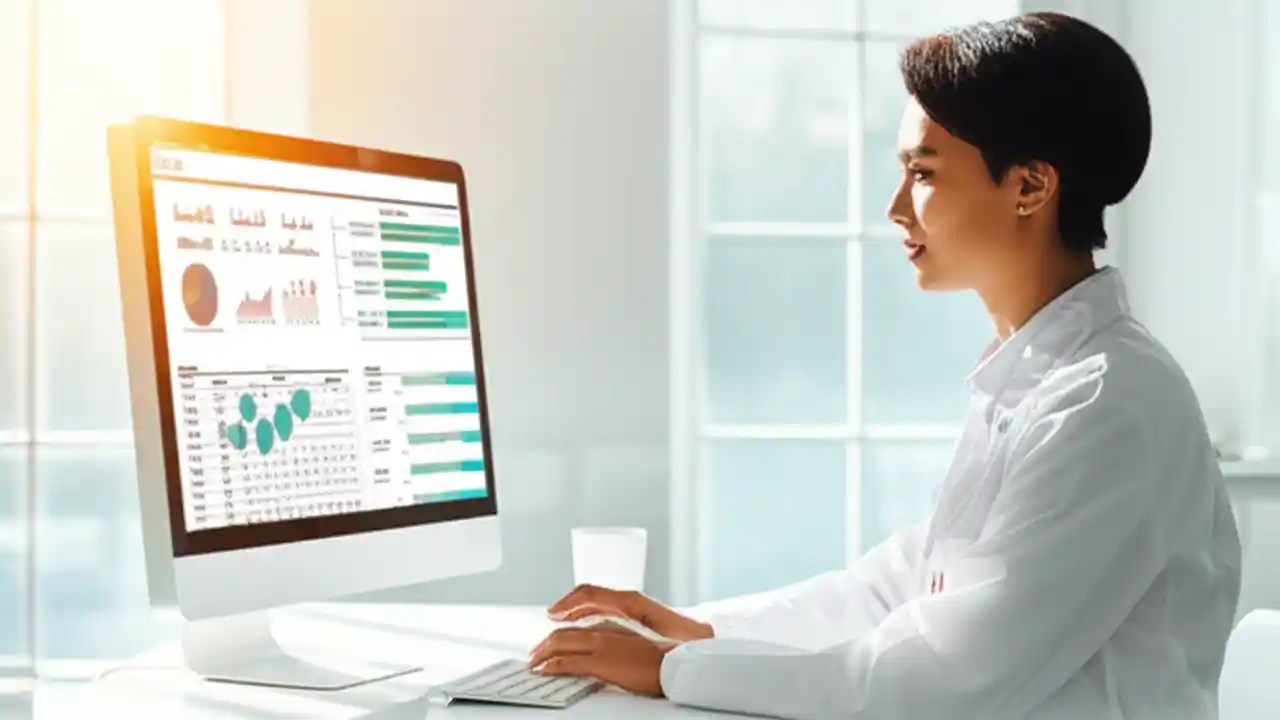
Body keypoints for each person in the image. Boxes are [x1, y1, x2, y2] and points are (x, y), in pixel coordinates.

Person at [527, 12, 1242, 719]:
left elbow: (941, 679)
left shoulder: (1108, 404)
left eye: (923, 172)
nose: (896, 207)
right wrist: (698, 632)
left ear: (1030, 187)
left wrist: (674, 670)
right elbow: (900, 587)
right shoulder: (1034, 378)